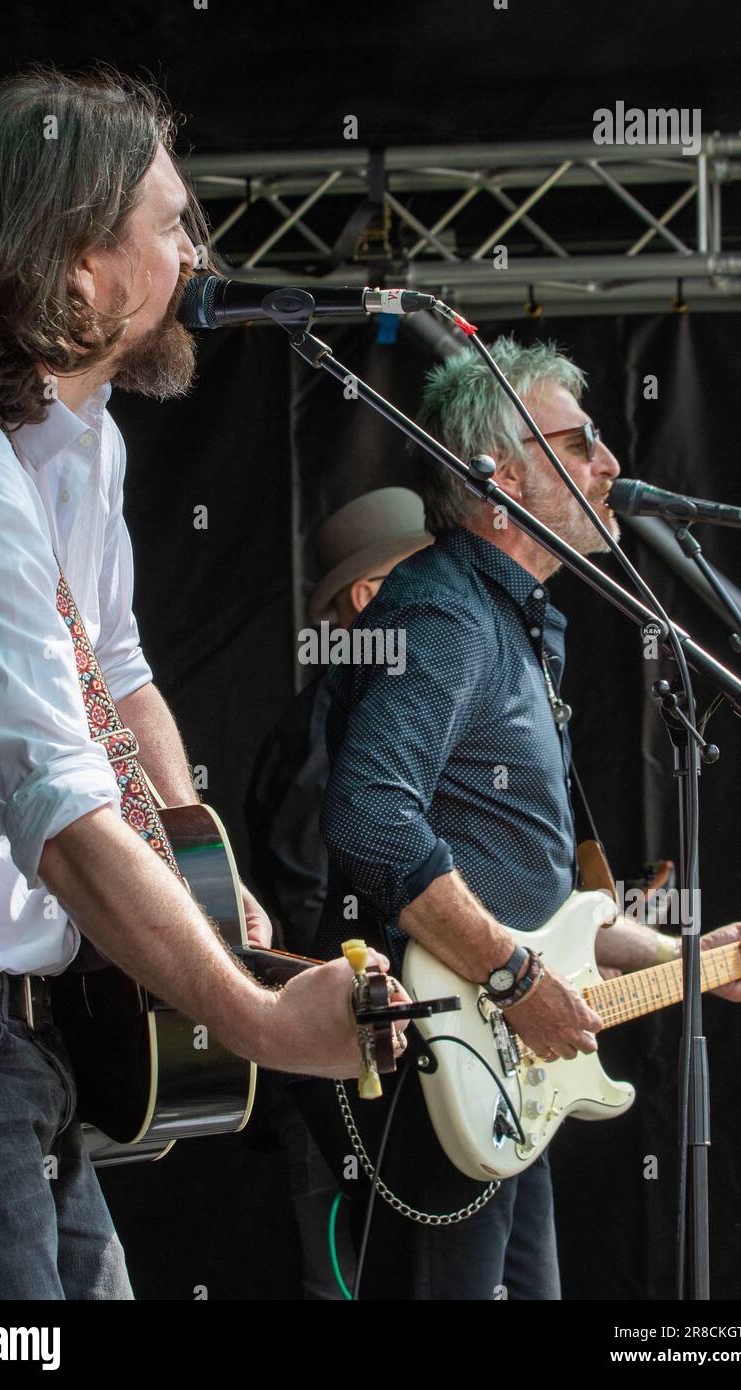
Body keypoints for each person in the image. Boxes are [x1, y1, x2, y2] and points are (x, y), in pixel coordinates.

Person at [0, 67, 400, 1301]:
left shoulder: (83, 443)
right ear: (77, 269)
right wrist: (263, 1021)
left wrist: (198, 865)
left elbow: (117, 679)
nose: (198, 253)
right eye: (172, 225)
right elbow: (60, 811)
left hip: (23, 1023)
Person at [296, 335, 741, 1301]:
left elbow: (548, 906)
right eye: (583, 443)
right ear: (502, 479)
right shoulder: (442, 611)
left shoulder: (514, 626)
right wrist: (515, 974)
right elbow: (371, 815)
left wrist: (698, 956)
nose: (612, 464)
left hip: (493, 1070)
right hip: (430, 1056)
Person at [246, 486, 432, 1298]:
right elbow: (306, 928)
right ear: (368, 597)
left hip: (392, 1068)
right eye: (419, 576)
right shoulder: (324, 729)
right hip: (337, 1076)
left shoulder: (390, 718)